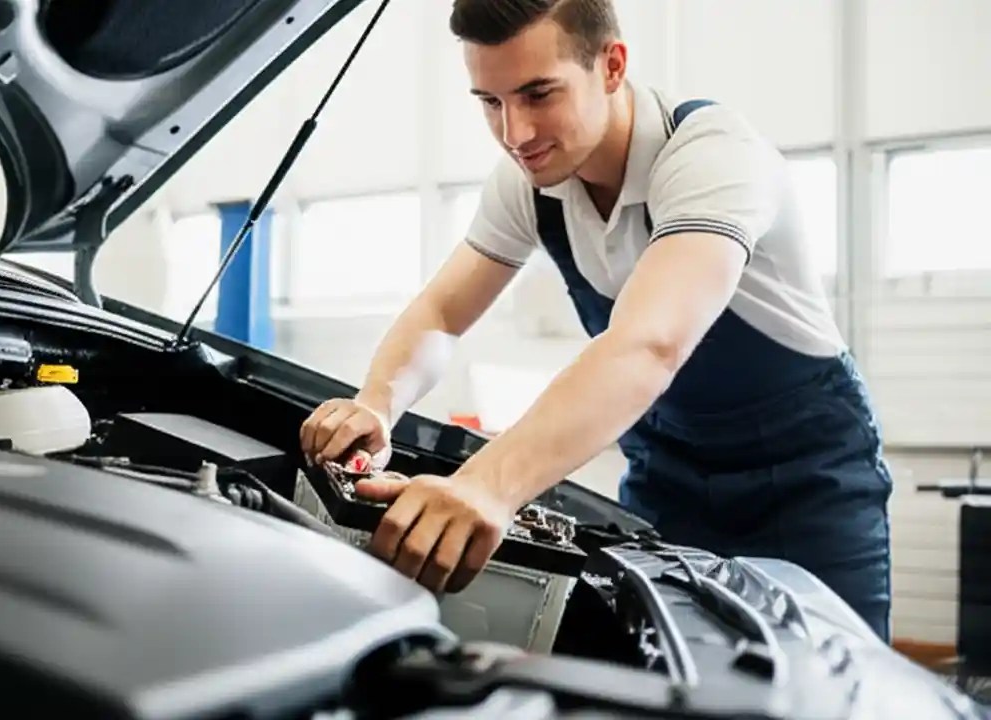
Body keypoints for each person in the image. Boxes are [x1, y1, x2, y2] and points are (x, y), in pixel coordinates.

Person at [298, 0, 893, 640]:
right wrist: (377, 403)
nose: (515, 133)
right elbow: (443, 313)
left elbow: (649, 345)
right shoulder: (527, 184)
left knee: (839, 684)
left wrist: (488, 487)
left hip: (808, 479)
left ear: (612, 66)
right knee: (665, 681)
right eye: (490, 102)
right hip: (667, 476)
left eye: (538, 94)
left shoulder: (712, 157)